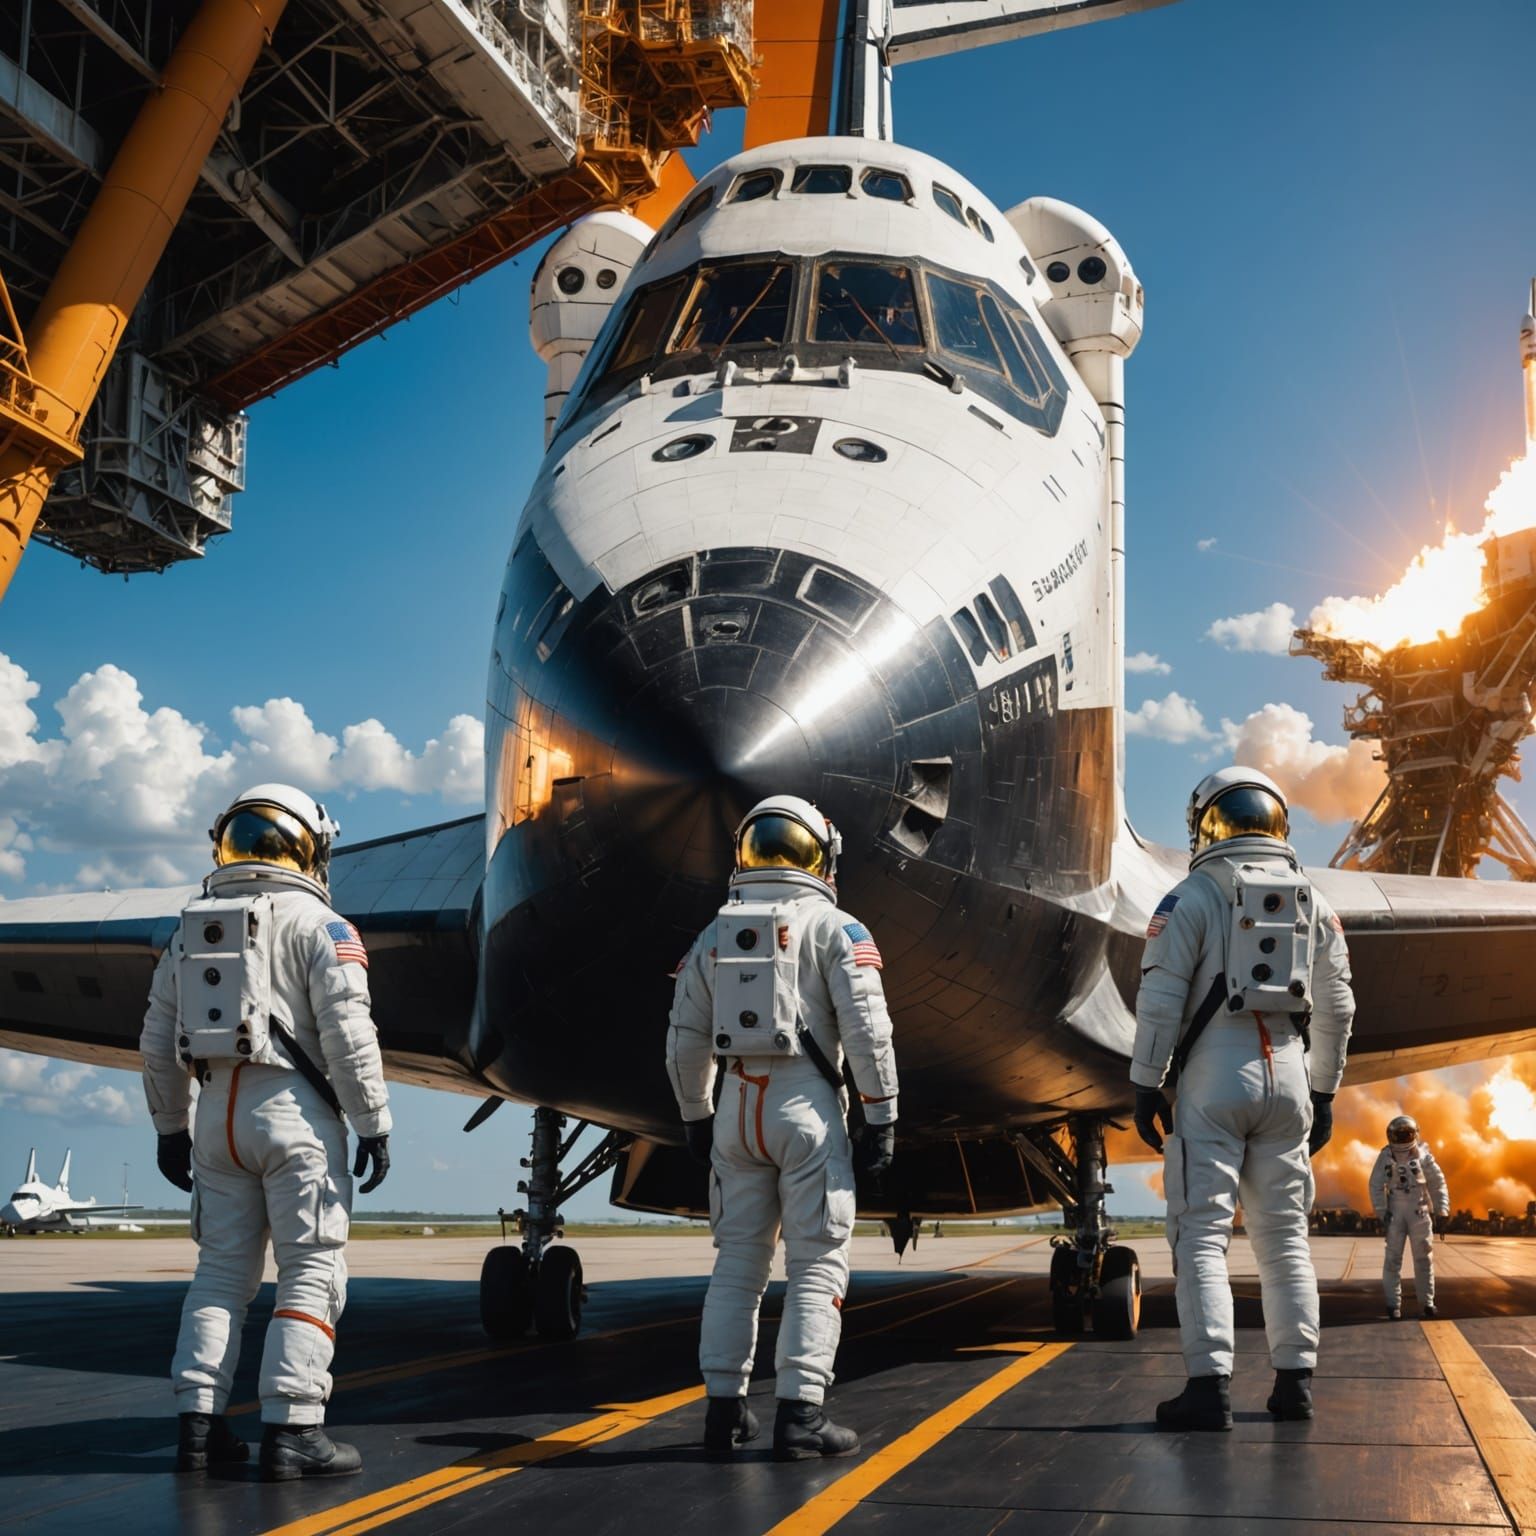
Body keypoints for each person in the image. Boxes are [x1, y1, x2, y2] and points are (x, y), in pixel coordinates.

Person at [141, 784, 392, 1481]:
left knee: (220, 1274)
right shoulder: (323, 927)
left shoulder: (189, 930)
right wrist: (373, 1122)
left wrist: (169, 1127)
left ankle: (198, 1427)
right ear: (311, 847)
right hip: (294, 1118)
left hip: (215, 1117)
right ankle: (294, 1429)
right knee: (311, 1270)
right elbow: (349, 1033)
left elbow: (158, 1040)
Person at [666, 795, 899, 1461]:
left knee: (738, 1261)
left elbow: (683, 1039)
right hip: (806, 1109)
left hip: (737, 1105)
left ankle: (723, 1412)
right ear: (821, 855)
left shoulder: (712, 935)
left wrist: (695, 1115)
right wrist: (880, 1115)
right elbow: (868, 1029)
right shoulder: (838, 929)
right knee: (817, 1260)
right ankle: (801, 1414)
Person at [1131, 767, 1355, 1431]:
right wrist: (1324, 1092)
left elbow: (1161, 998)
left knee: (1201, 1235)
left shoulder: (1191, 895)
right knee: (1285, 1240)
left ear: (1204, 823)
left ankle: (1209, 1388)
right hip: (1288, 1075)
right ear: (1280, 821)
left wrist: (1146, 1082)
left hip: (1213, 1079)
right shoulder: (1317, 903)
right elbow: (1338, 1006)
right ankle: (1295, 1386)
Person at [1370, 1115, 1450, 1320]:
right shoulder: (1386, 1156)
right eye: (1399, 1135)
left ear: (1415, 1134)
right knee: (1393, 1260)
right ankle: (1393, 1305)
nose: (1403, 1138)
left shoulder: (1423, 1155)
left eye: (1406, 1134)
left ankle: (1427, 1304)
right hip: (1395, 1211)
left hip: (1419, 1209)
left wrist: (1442, 1210)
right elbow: (1375, 1185)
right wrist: (1381, 1212)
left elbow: (1437, 1182)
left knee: (1424, 1259)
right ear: (1390, 1136)